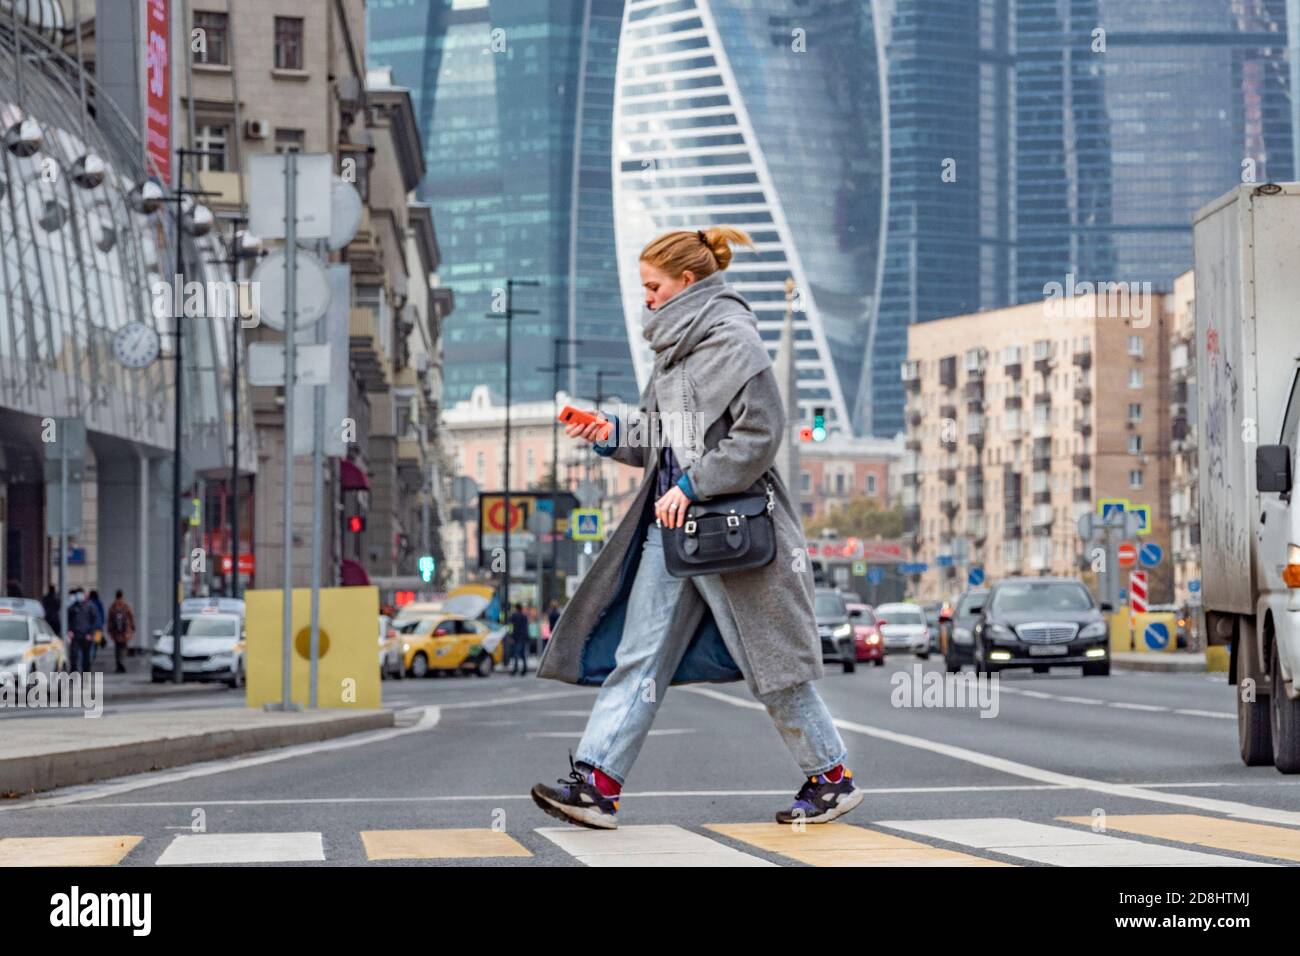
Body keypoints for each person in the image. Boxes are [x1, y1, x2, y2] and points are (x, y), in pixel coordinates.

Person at [532, 226, 860, 830]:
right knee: (639, 658)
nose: (647, 300)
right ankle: (597, 783)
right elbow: (657, 440)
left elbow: (761, 434)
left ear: (688, 282)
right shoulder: (672, 353)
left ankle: (830, 778)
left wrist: (693, 484)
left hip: (730, 530)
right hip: (672, 530)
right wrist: (607, 433)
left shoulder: (734, 340)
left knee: (767, 659)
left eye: (654, 287)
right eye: (643, 289)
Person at [66, 589, 96, 673]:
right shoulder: (73, 607)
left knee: (86, 658)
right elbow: (68, 620)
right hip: (75, 635)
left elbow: (94, 621)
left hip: (86, 635)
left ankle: (86, 674)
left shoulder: (90, 607)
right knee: (74, 656)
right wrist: (69, 630)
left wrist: (90, 633)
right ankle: (74, 675)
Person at [106, 590, 136, 674]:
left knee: (117, 648)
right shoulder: (126, 606)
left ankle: (118, 664)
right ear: (122, 596)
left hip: (116, 632)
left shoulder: (112, 607)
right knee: (124, 647)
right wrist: (133, 628)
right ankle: (122, 662)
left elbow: (110, 620)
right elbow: (131, 617)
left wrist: (110, 631)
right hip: (125, 631)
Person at [508, 602, 530, 676]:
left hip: (516, 637)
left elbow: (511, 627)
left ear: (516, 608)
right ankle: (524, 669)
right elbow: (526, 628)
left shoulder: (513, 616)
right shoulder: (524, 616)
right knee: (523, 654)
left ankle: (515, 669)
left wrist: (510, 637)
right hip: (523, 637)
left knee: (516, 654)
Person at [86, 589, 106, 665]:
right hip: (99, 628)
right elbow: (102, 616)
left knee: (91, 643)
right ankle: (92, 656)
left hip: (91, 628)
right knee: (96, 643)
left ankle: (90, 658)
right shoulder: (99, 603)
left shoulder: (88, 603)